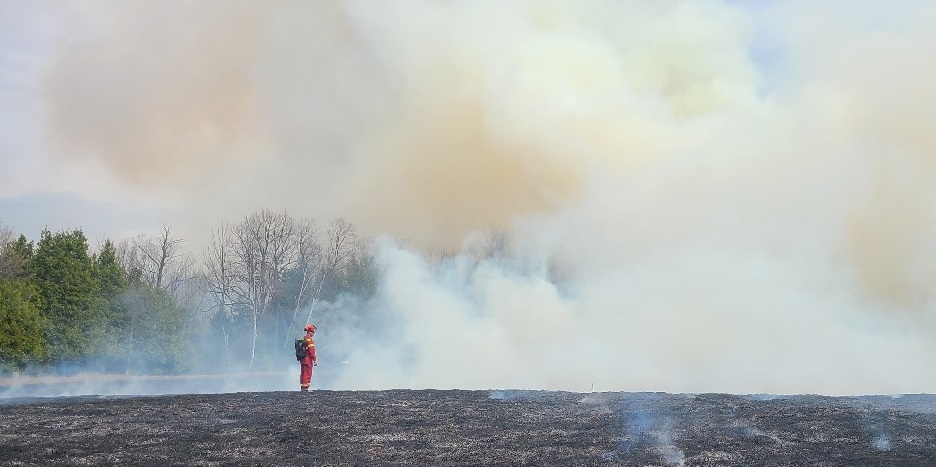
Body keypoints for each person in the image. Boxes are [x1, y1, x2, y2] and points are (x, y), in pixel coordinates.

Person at [299, 324, 318, 391]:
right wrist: (314, 360)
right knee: (307, 373)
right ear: (309, 331)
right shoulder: (309, 340)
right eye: (313, 332)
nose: (313, 333)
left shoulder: (303, 338)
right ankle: (305, 388)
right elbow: (311, 351)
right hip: (308, 360)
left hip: (302, 359)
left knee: (303, 373)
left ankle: (302, 387)